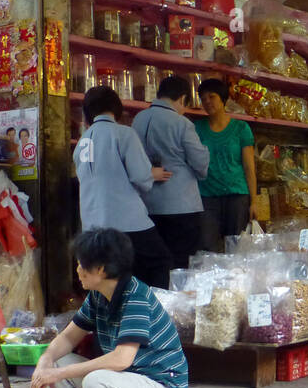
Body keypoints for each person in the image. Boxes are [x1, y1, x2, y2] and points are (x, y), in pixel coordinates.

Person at [31, 229, 189, 388]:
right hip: (128, 383)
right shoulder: (98, 296)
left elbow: (121, 359)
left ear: (101, 270)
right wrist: (45, 362)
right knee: (60, 362)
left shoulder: (135, 298)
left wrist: (57, 372)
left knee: (94, 379)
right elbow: (69, 337)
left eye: (82, 264)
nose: (77, 269)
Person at [74, 85, 175, 289]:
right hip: (126, 220)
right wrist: (152, 174)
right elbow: (140, 175)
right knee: (160, 261)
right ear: (116, 108)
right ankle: (153, 312)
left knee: (113, 275)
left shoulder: (82, 141)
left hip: (92, 223)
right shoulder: (124, 134)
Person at [132, 75, 210, 268]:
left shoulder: (138, 120)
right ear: (182, 98)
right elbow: (199, 161)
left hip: (146, 205)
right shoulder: (182, 123)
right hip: (181, 206)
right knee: (181, 264)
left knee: (154, 263)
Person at [194, 77, 260, 251]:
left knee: (237, 247)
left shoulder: (241, 128)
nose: (207, 102)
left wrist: (254, 201)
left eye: (212, 96)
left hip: (237, 197)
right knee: (207, 248)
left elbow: (249, 167)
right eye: (203, 98)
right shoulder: (196, 128)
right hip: (207, 197)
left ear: (223, 99)